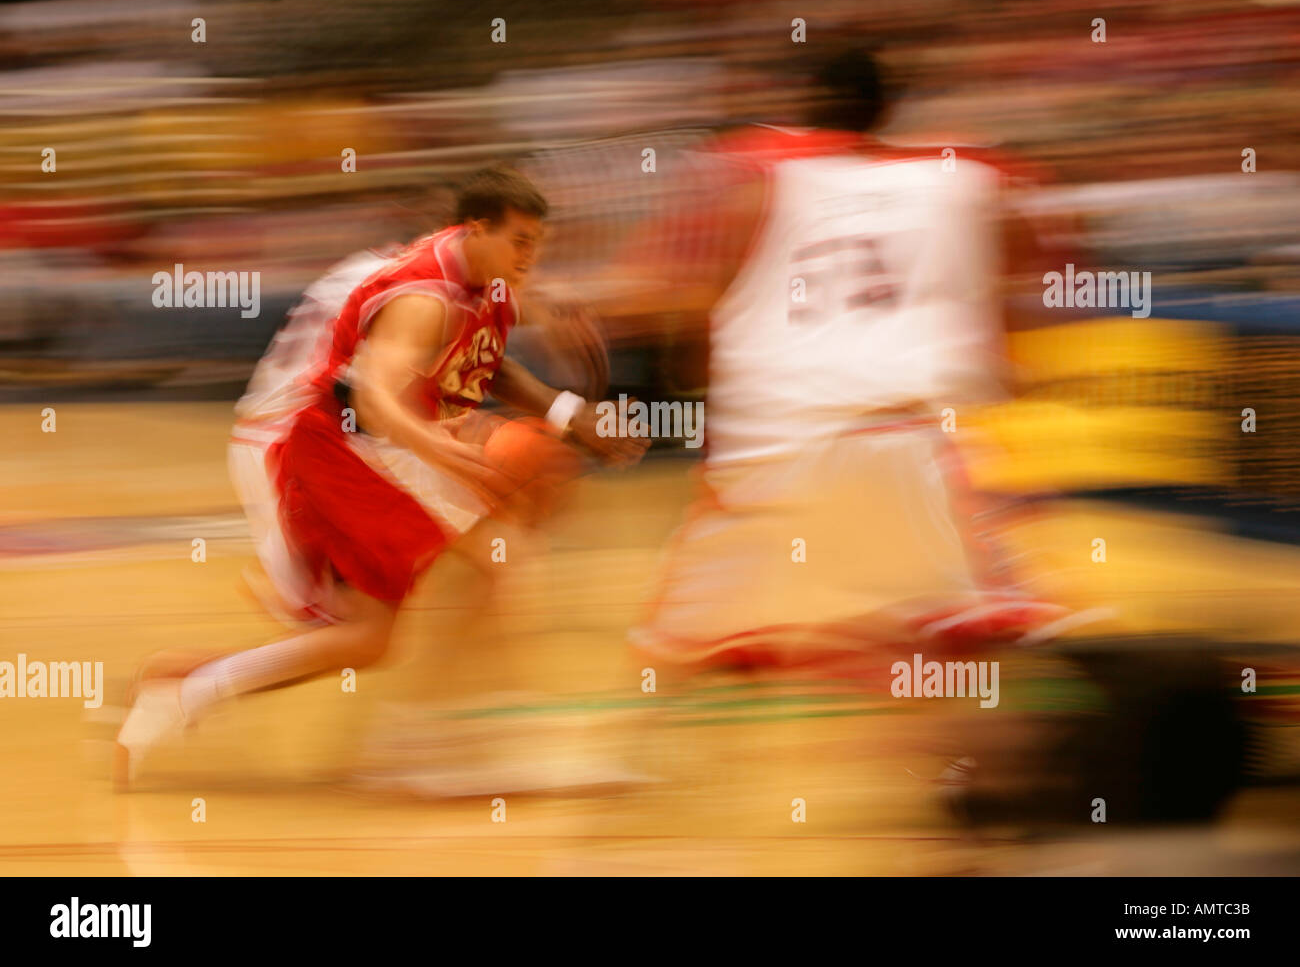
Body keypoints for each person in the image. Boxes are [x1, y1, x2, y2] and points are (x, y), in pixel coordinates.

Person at [114, 164, 646, 788]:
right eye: (521, 242)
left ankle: (190, 689)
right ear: (473, 230)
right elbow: (375, 398)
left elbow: (482, 366)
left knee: (369, 636)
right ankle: (458, 740)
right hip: (327, 441)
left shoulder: (478, 282)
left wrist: (562, 412)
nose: (531, 257)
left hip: (350, 439)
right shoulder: (422, 296)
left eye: (538, 244)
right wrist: (435, 445)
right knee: (491, 559)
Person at [625, 50, 1062, 673]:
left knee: (681, 650)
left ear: (805, 111)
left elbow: (695, 316)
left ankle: (641, 758)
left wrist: (699, 383)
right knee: (982, 643)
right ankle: (981, 754)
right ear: (891, 110)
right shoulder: (956, 180)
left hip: (780, 447)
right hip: (905, 436)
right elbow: (1018, 281)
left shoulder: (755, 184)